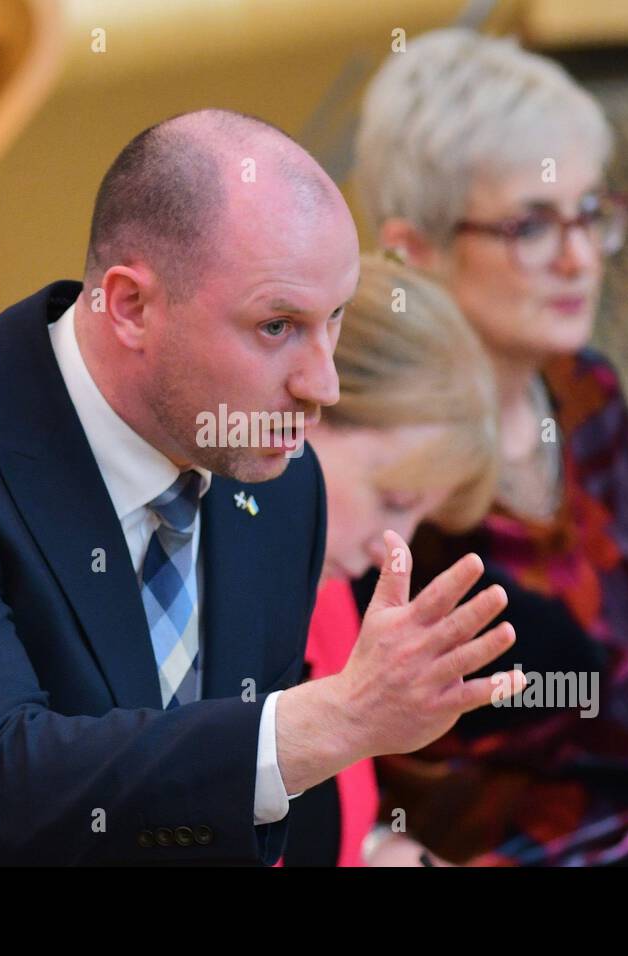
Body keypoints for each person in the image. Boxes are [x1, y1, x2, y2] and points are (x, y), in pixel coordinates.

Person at [0, 108, 523, 866]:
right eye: (278, 327)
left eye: (334, 322)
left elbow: (197, 814)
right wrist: (336, 719)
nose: (322, 384)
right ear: (130, 307)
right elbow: (0, 785)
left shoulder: (276, 481)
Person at [352, 29, 628, 865]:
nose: (580, 257)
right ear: (413, 250)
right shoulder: (371, 466)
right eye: (530, 226)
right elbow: (329, 774)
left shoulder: (587, 394)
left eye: (590, 213)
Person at [278, 253, 500, 866]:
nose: (391, 547)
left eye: (414, 517)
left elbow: (326, 828)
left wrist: (386, 852)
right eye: (393, 500)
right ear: (302, 406)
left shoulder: (325, 590)